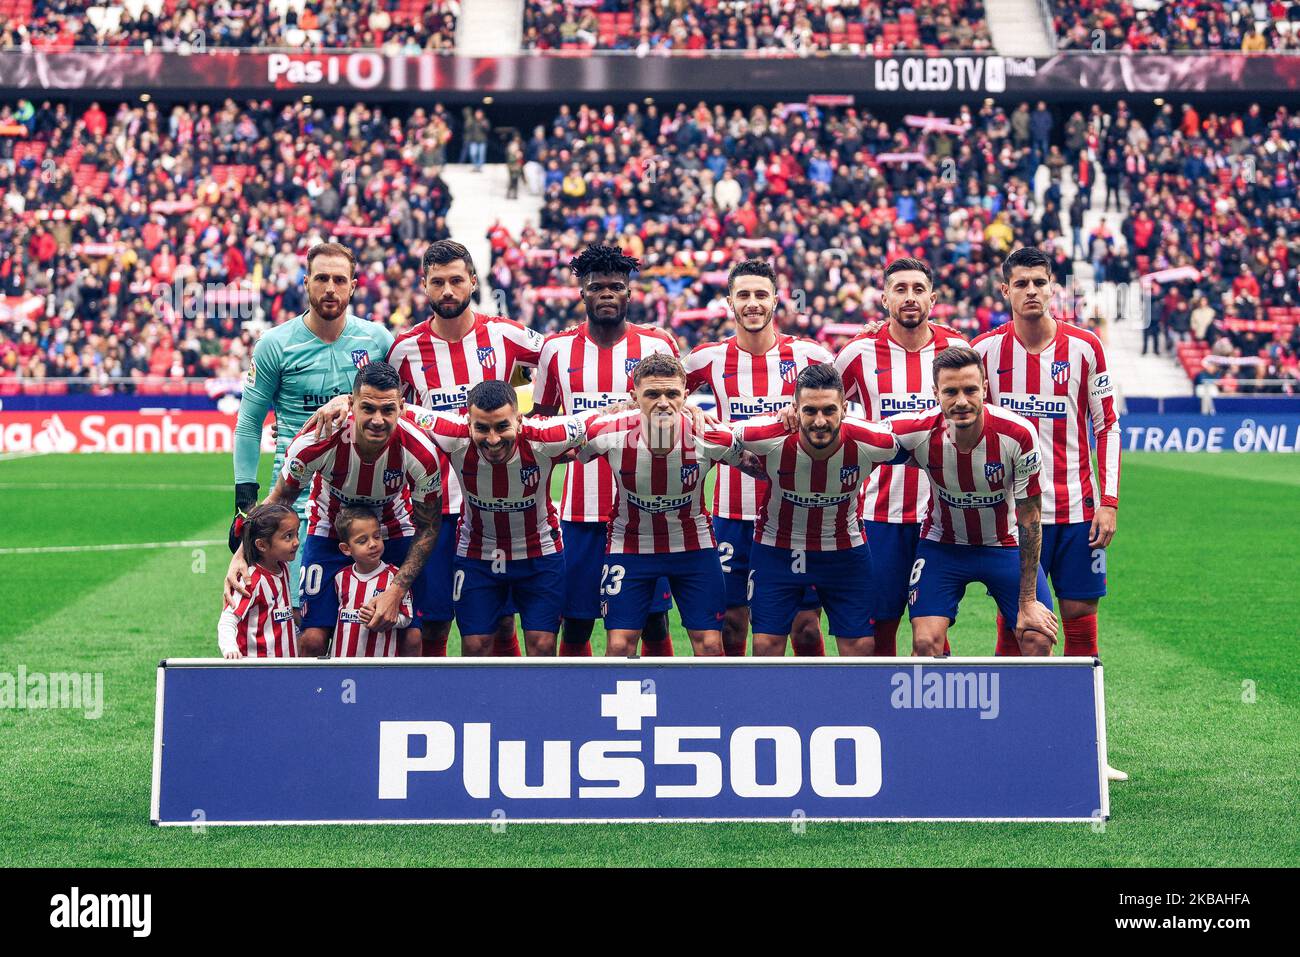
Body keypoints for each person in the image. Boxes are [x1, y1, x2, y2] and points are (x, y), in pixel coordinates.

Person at [383, 240, 545, 657]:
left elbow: (558, 360)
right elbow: (389, 414)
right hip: (433, 505)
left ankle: (505, 705)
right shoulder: (405, 349)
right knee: (433, 619)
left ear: (473, 281)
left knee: (499, 618)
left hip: (497, 504)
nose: (448, 290)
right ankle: (437, 703)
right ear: (424, 286)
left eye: (457, 280)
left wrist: (542, 413)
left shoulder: (505, 334)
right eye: (437, 282)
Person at [224, 362, 442, 656]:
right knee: (312, 638)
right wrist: (241, 555)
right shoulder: (318, 440)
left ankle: (398, 702)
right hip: (329, 529)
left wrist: (396, 591)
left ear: (402, 407)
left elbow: (429, 526)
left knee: (412, 639)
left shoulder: (420, 452)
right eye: (368, 409)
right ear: (351, 404)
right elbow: (279, 499)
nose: (378, 419)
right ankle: (312, 701)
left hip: (393, 530)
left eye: (388, 410)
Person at [531, 244, 680, 657]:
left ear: (630, 293)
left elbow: (680, 415)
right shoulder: (556, 349)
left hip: (645, 510)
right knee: (575, 622)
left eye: (616, 286)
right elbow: (541, 422)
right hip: (581, 513)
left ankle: (658, 704)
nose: (607, 294)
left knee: (652, 621)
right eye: (597, 287)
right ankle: (572, 708)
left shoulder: (657, 345)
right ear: (582, 293)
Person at [229, 242, 393, 612]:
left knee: (366, 621)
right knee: (301, 619)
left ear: (354, 285)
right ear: (306, 283)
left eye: (339, 279)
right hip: (296, 502)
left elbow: (401, 408)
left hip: (367, 502)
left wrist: (347, 403)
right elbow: (250, 422)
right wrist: (245, 501)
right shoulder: (275, 344)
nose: (330, 289)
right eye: (321, 278)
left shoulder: (379, 341)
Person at [684, 257, 833, 657]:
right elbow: (659, 391)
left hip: (795, 512)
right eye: (744, 295)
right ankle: (737, 708)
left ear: (776, 300)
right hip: (732, 513)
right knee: (733, 625)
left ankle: (803, 707)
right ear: (729, 302)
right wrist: (689, 409)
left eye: (761, 295)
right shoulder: (706, 358)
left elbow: (841, 411)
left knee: (803, 627)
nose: (753, 303)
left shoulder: (810, 356)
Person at [835, 257, 967, 657]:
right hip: (879, 513)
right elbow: (823, 410)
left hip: (941, 515)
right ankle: (883, 715)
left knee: (933, 632)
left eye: (917, 289)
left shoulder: (958, 350)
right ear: (884, 298)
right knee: (880, 627)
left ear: (933, 297)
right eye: (900, 289)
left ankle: (935, 714)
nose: (910, 297)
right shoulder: (857, 353)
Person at [888, 346, 1058, 656]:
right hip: (943, 545)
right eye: (951, 392)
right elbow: (852, 436)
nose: (962, 401)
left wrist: (1028, 599)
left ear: (985, 388)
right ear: (935, 392)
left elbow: (1030, 519)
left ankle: (1019, 704)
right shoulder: (916, 431)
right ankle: (940, 701)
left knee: (1038, 638)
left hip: (1003, 544)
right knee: (925, 644)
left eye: (970, 390)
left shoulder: (1018, 434)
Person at [415, 380, 599, 657]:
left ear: (520, 420)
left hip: (539, 554)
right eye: (482, 428)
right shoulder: (450, 434)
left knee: (542, 646)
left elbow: (597, 418)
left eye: (502, 426)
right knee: (476, 647)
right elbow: (397, 408)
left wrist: (641, 408)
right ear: (467, 422)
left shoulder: (546, 436)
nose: (492, 439)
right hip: (476, 554)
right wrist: (344, 402)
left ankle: (537, 702)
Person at [726, 364, 900, 657]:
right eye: (810, 411)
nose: (820, 421)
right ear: (794, 408)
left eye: (829, 410)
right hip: (775, 550)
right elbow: (713, 438)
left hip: (845, 553)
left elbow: (922, 445)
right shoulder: (763, 435)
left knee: (861, 648)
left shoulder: (875, 442)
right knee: (766, 648)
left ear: (845, 408)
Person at [578, 354, 734, 657]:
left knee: (712, 646)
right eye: (652, 394)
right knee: (619, 647)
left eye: (672, 394)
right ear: (635, 397)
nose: (663, 402)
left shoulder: (710, 435)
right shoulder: (606, 432)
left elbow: (758, 461)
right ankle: (624, 706)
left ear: (686, 396)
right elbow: (566, 449)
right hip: (630, 546)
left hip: (694, 548)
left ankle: (710, 706)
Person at [217, 503, 299, 659]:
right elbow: (228, 619)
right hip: (259, 669)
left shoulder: (283, 568)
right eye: (288, 536)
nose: (296, 542)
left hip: (286, 667)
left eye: (296, 534)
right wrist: (230, 649)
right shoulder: (251, 579)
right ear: (261, 545)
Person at [332, 507, 416, 658]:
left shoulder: (396, 577)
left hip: (381, 664)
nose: (372, 544)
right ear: (346, 549)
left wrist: (384, 618)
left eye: (377, 537)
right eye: (362, 541)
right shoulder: (340, 577)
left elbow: (407, 617)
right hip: (343, 662)